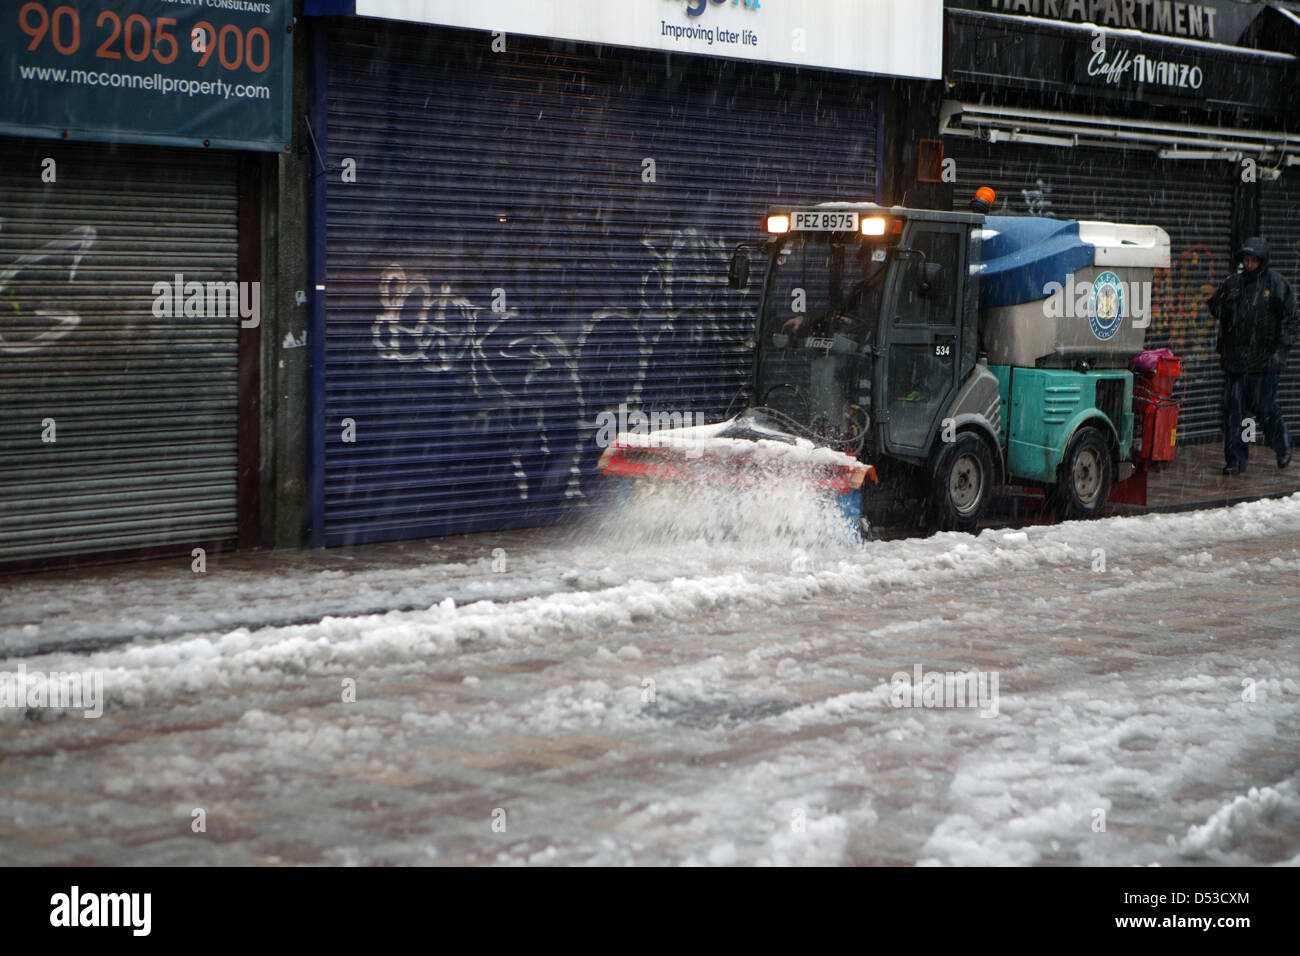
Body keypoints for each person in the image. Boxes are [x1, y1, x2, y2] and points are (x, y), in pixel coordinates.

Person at [1209, 236, 1298, 474]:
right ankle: (1237, 460)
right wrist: (1222, 301)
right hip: (1236, 362)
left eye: (1253, 260)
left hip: (1264, 362)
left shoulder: (1277, 284)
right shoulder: (1233, 283)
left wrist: (1280, 352)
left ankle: (1282, 447)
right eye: (1246, 259)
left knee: (1265, 408)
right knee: (1235, 412)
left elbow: (1290, 320)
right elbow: (1215, 308)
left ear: (1262, 261)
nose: (1249, 264)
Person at [784, 246, 886, 344]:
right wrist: (805, 320)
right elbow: (840, 311)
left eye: (868, 263)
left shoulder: (898, 293)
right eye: (862, 263)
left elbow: (883, 325)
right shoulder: (862, 291)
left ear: (882, 263)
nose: (863, 268)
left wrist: (855, 323)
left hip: (878, 346)